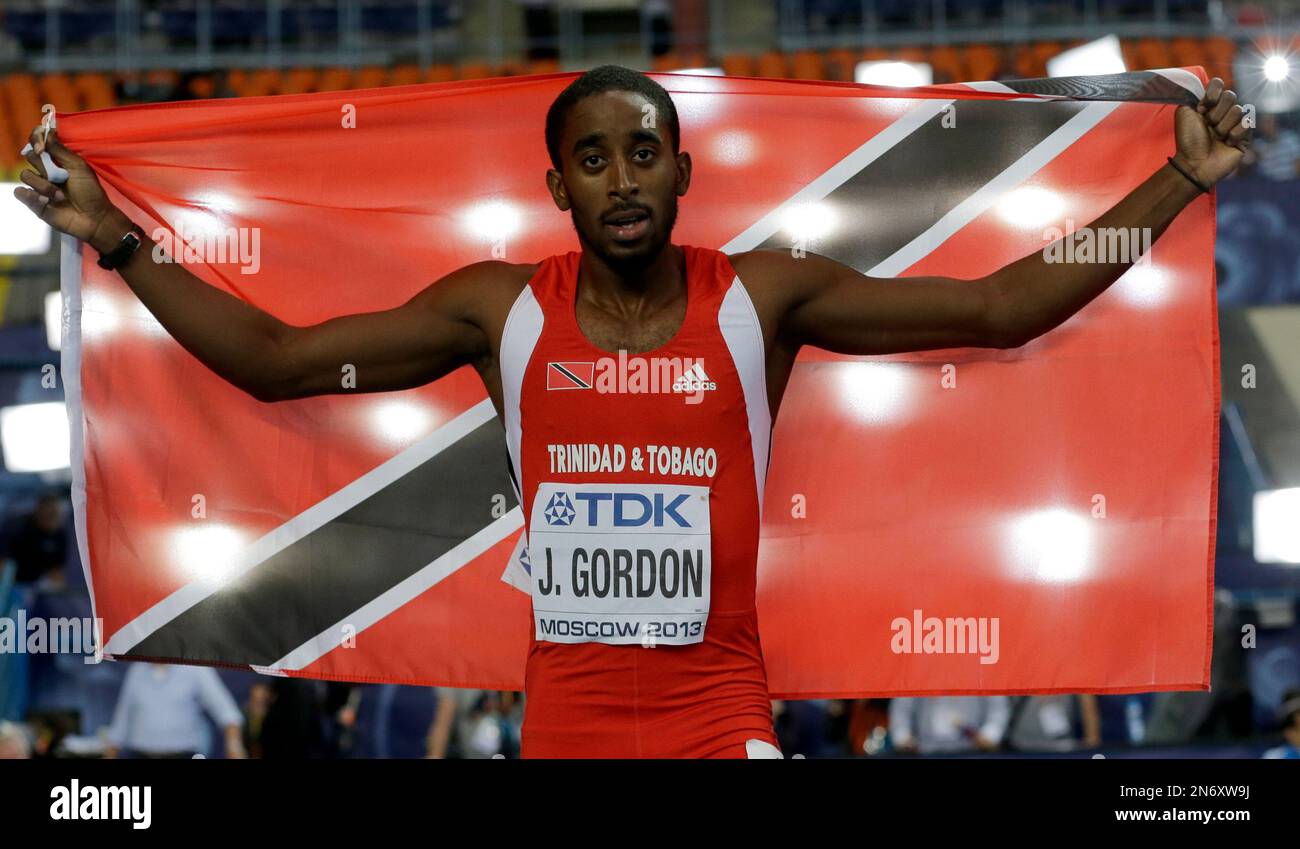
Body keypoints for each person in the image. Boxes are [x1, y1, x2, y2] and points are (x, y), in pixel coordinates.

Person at [14, 66, 1250, 758]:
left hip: (721, 709)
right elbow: (281, 360)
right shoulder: (493, 309)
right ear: (557, 184)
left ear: (681, 169)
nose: (621, 178)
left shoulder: (764, 296)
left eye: (643, 152)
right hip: (567, 717)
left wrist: (1177, 177)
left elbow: (998, 311)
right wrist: (118, 238)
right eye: (594, 158)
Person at [104, 663, 246, 758]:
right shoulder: (137, 669)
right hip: (139, 755)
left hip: (182, 755)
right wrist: (110, 753)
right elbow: (122, 719)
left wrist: (234, 746)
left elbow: (227, 712)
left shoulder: (194, 668)